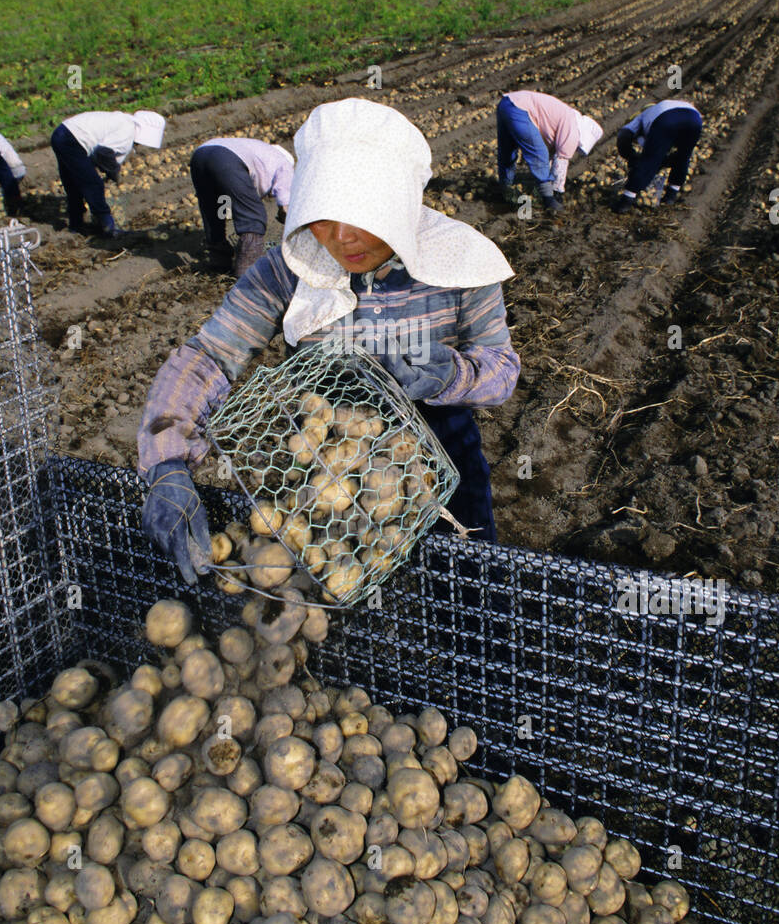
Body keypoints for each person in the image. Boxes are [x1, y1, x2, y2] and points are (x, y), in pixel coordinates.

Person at [138, 97, 521, 585]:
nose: (342, 238)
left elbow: (501, 370)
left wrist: (447, 372)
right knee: (341, 603)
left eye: (363, 215)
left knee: (468, 588)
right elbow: (209, 356)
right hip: (323, 466)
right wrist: (167, 463)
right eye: (323, 216)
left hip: (444, 455)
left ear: (398, 205)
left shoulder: (462, 263)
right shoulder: (287, 268)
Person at [49, 109, 165, 236]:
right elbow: (103, 154)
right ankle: (106, 225)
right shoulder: (128, 130)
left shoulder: (123, 122)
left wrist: (105, 169)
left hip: (61, 134)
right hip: (71, 139)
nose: (138, 144)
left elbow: (100, 154)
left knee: (74, 184)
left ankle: (76, 225)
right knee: (93, 184)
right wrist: (113, 172)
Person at [189, 136, 294, 275]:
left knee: (213, 212)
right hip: (226, 159)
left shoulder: (261, 152)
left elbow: (224, 204)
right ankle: (247, 272)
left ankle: (219, 262)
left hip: (200, 156)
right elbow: (285, 206)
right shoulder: (284, 164)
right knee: (254, 216)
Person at [496, 90, 603, 214]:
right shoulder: (573, 132)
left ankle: (505, 187)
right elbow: (561, 161)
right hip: (521, 109)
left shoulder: (568, 117)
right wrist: (557, 192)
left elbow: (552, 157)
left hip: (506, 103)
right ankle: (548, 199)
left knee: (507, 151)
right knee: (539, 153)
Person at [612, 99, 703, 212]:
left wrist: (632, 157)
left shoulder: (641, 116)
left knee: (649, 160)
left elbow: (623, 136)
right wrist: (664, 161)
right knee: (683, 157)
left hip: (667, 119)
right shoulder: (662, 108)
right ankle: (671, 195)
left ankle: (625, 202)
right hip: (695, 119)